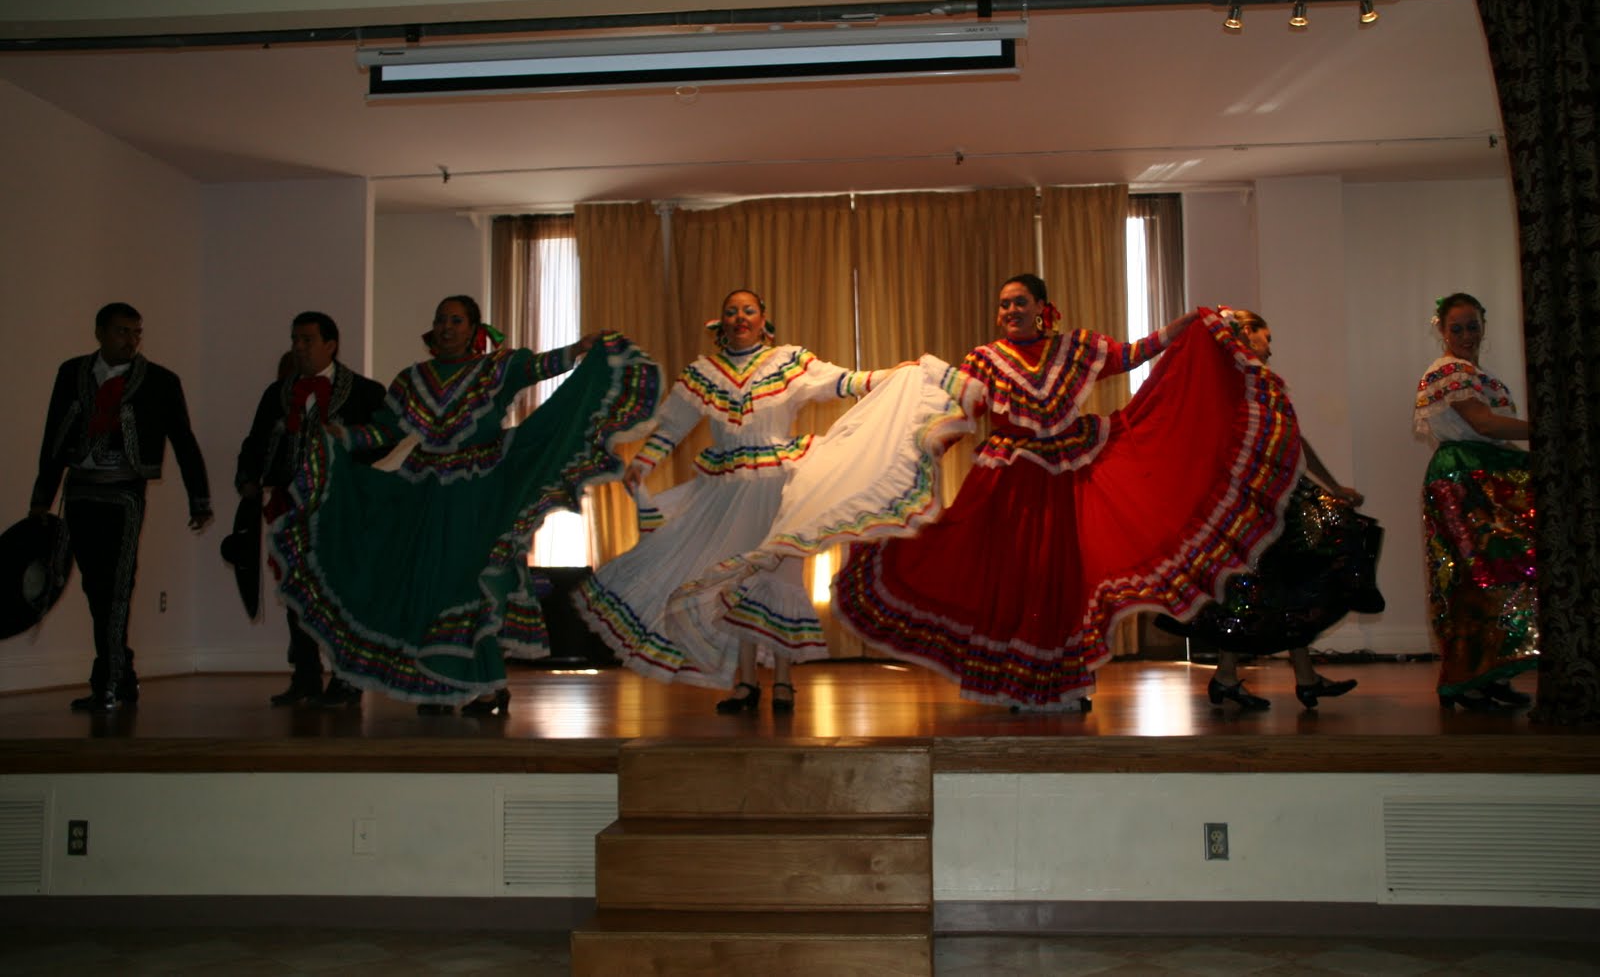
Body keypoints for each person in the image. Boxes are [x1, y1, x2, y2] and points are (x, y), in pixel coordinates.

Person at [831, 275, 1303, 710]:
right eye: (1003, 305)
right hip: (1008, 483)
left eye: (1019, 302)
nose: (1009, 310)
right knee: (1015, 576)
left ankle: (1065, 684)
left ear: (1041, 308)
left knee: (1062, 578)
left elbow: (1133, 354)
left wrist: (1187, 323)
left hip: (1064, 479)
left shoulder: (1074, 349)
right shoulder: (983, 359)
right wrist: (913, 456)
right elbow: (960, 415)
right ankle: (1015, 683)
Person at [268, 295, 660, 714]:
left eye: (456, 320)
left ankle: (490, 688)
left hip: (481, 492)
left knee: (473, 585)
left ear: (474, 329)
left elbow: (536, 368)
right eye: (440, 319)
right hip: (426, 494)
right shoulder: (411, 379)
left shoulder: (495, 368)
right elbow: (385, 431)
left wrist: (579, 349)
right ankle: (439, 685)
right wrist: (341, 438)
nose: (446, 327)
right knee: (429, 586)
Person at [574, 289, 923, 715]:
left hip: (781, 488)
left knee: (780, 580)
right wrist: (643, 463)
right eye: (731, 312)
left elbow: (840, 382)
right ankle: (743, 683)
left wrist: (890, 375)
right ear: (720, 323)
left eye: (748, 310)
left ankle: (781, 681)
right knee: (733, 583)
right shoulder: (704, 374)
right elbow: (673, 425)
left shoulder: (787, 363)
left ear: (763, 319)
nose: (740, 317)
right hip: (728, 491)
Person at [1154, 308, 1382, 711]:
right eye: (1266, 336)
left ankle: (1256, 678)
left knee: (1281, 588)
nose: (1270, 345)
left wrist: (1331, 486)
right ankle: (1287, 679)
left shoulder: (1263, 384)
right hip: (1256, 502)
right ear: (1246, 335)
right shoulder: (1234, 383)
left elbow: (1295, 441)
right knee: (1271, 586)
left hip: (1278, 496)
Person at [30, 302, 212, 713]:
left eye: (136, 332)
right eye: (121, 332)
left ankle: (109, 680)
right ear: (99, 332)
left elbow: (184, 441)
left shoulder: (160, 381)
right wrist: (41, 498)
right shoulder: (71, 373)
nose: (130, 340)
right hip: (79, 491)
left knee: (117, 587)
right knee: (95, 586)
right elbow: (53, 439)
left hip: (124, 494)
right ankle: (119, 674)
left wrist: (198, 498)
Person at [235, 311, 388, 709]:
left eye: (306, 340)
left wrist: (355, 465)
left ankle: (346, 679)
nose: (298, 347)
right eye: (295, 340)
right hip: (291, 504)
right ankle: (305, 678)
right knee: (297, 590)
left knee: (340, 593)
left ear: (330, 344)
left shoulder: (366, 392)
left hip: (343, 507)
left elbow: (388, 437)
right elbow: (254, 441)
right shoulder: (278, 393)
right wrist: (248, 480)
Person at [1413, 292, 1535, 711]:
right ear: (1442, 331)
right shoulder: (1449, 371)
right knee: (1474, 579)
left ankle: (1489, 671)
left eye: (1472, 326)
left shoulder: (1475, 373)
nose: (1466, 335)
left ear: (1484, 325)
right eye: (1457, 328)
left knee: (1499, 575)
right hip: (1464, 478)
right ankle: (1468, 680)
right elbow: (1482, 423)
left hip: (1482, 475)